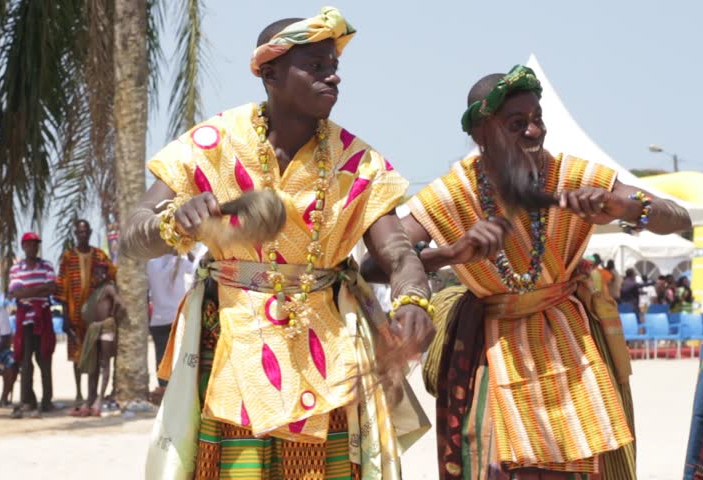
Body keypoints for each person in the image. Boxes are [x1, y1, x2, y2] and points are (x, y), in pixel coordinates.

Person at [122, 7, 435, 478]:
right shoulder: (213, 142)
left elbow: (396, 251)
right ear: (270, 73)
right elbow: (133, 235)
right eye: (316, 66)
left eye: (334, 66)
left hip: (325, 351)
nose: (333, 76)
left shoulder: (359, 161)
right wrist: (175, 223)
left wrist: (414, 297)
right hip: (229, 343)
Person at [370, 66, 691, 478]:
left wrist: (626, 207)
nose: (535, 131)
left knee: (581, 462)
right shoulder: (452, 194)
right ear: (481, 134)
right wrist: (452, 252)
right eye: (517, 123)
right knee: (495, 464)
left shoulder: (574, 177)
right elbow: (375, 264)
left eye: (538, 118)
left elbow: (677, 217)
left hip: (571, 343)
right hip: (490, 348)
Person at [55, 219, 116, 405]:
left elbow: (113, 272)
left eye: (85, 231)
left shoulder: (99, 255)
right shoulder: (67, 257)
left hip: (94, 317)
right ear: (76, 233)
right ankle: (79, 392)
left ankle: (93, 395)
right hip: (74, 315)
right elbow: (62, 287)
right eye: (79, 232)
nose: (82, 234)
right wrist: (65, 316)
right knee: (77, 355)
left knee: (95, 355)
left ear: (89, 233)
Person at [9, 232, 57, 419]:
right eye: (28, 244)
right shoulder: (16, 269)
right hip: (25, 320)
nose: (32, 247)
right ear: (23, 247)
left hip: (43, 317)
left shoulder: (47, 265)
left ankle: (47, 400)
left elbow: (52, 288)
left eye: (35, 244)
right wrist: (39, 290)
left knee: (45, 358)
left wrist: (27, 292)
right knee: (25, 361)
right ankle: (27, 399)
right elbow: (15, 293)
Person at [68, 262, 124, 417]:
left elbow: (119, 302)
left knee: (105, 363)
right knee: (93, 365)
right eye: (96, 273)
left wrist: (112, 315)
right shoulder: (95, 291)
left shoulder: (108, 287)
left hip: (106, 327)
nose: (99, 276)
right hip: (95, 330)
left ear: (106, 274)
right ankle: (90, 399)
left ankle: (99, 400)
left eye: (101, 273)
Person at [145, 251, 197, 405]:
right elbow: (197, 268)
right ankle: (178, 392)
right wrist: (187, 250)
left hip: (158, 320)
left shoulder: (151, 264)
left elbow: (146, 292)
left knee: (161, 358)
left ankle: (163, 390)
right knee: (180, 356)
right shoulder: (181, 262)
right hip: (178, 318)